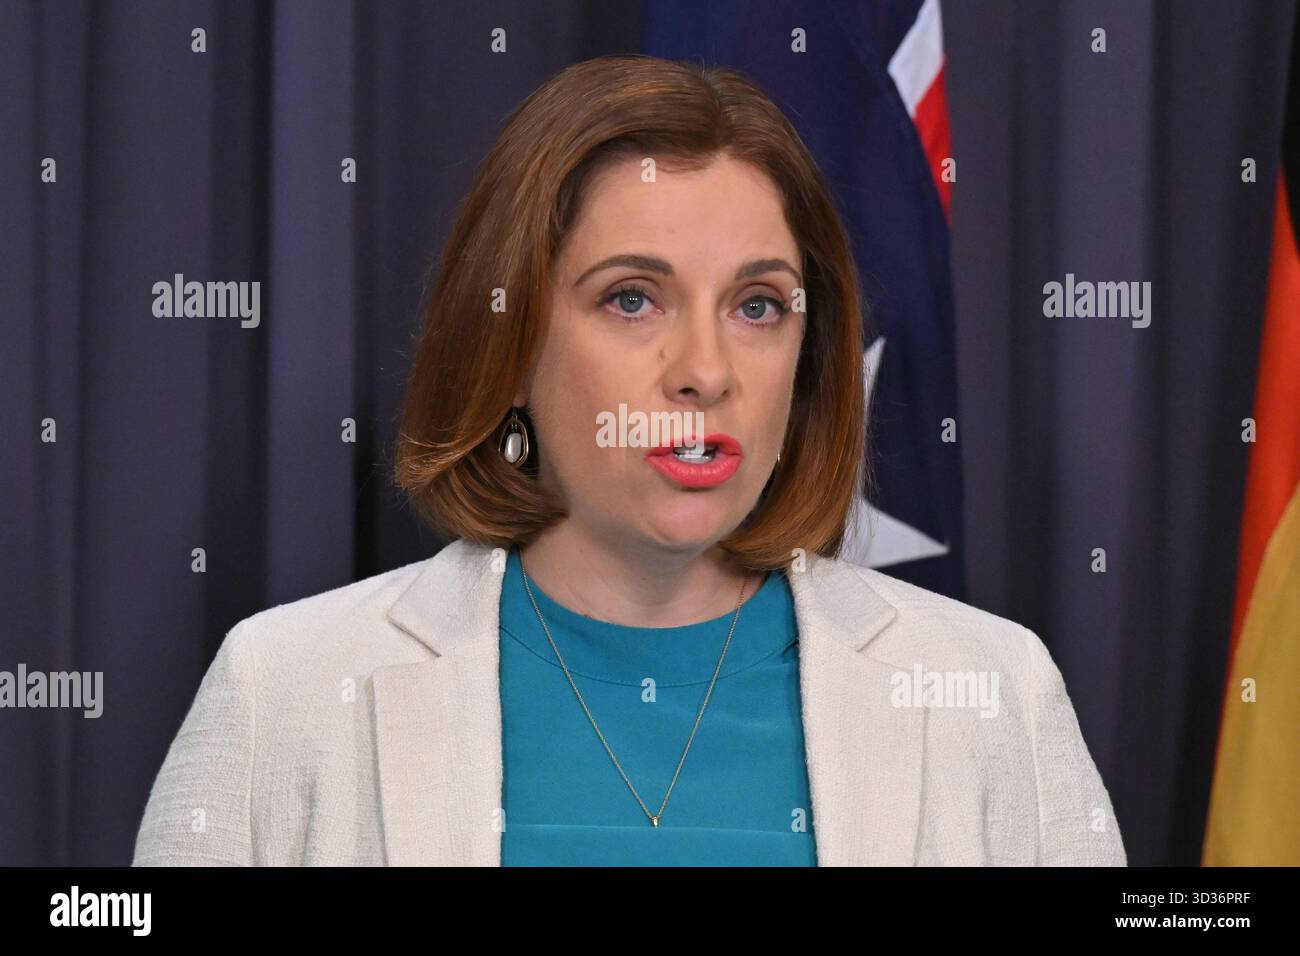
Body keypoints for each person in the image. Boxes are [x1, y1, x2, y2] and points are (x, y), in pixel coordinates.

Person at [132, 54, 1125, 866]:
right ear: (509, 343)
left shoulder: (992, 689)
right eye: (631, 298)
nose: (704, 370)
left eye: (758, 305)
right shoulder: (287, 689)